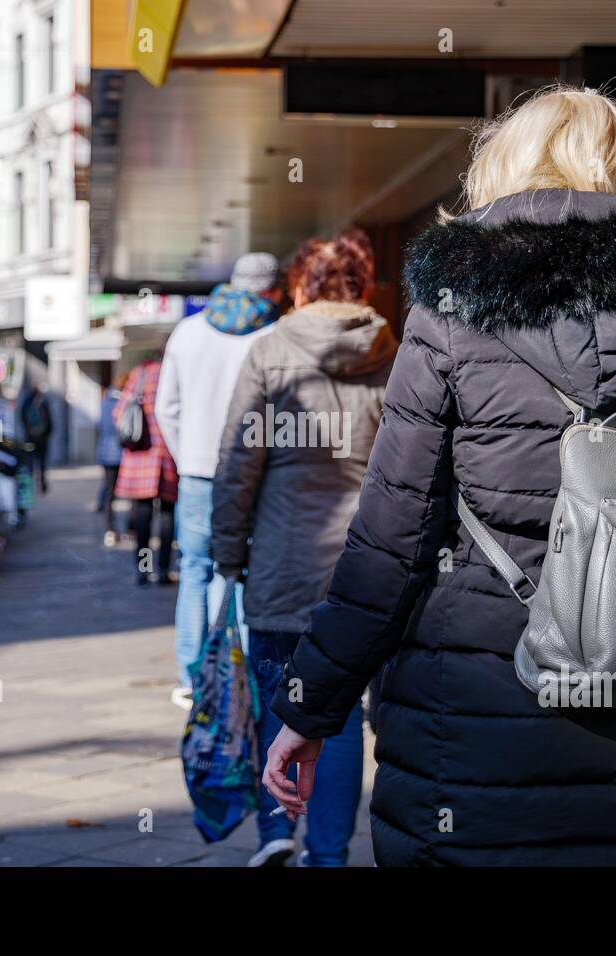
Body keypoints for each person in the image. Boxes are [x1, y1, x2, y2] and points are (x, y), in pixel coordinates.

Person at [260, 87, 616, 866]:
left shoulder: (450, 311)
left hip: (472, 712)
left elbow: (390, 540)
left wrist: (310, 705)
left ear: (503, 165)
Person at [213, 228, 398, 868]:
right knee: (339, 713)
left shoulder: (270, 351)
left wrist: (228, 551)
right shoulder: (388, 350)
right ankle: (328, 853)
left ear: (300, 285)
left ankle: (275, 831)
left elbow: (240, 461)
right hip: (365, 568)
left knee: (280, 697)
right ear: (361, 284)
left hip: (282, 564)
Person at [155, 252, 282, 709]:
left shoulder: (188, 332)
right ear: (272, 289)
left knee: (193, 570)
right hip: (253, 473)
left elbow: (165, 407)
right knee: (241, 572)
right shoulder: (273, 334)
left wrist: (188, 450)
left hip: (197, 472)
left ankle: (193, 674)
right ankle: (235, 668)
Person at [113, 357, 178, 587]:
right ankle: (162, 570)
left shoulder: (139, 375)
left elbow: (119, 413)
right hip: (168, 452)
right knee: (167, 515)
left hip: (140, 456)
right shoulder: (173, 373)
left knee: (142, 518)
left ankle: (144, 570)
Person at [95, 373, 126, 548]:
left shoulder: (105, 401)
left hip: (105, 452)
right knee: (119, 492)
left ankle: (110, 529)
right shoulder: (121, 403)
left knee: (108, 490)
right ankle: (122, 528)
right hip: (120, 451)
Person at [19, 382, 54, 494]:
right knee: (42, 462)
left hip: (30, 438)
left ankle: (30, 486)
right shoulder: (43, 401)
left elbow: (22, 418)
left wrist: (28, 432)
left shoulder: (27, 401)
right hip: (42, 438)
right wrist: (48, 433)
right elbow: (49, 419)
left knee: (30, 463)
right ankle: (42, 484)